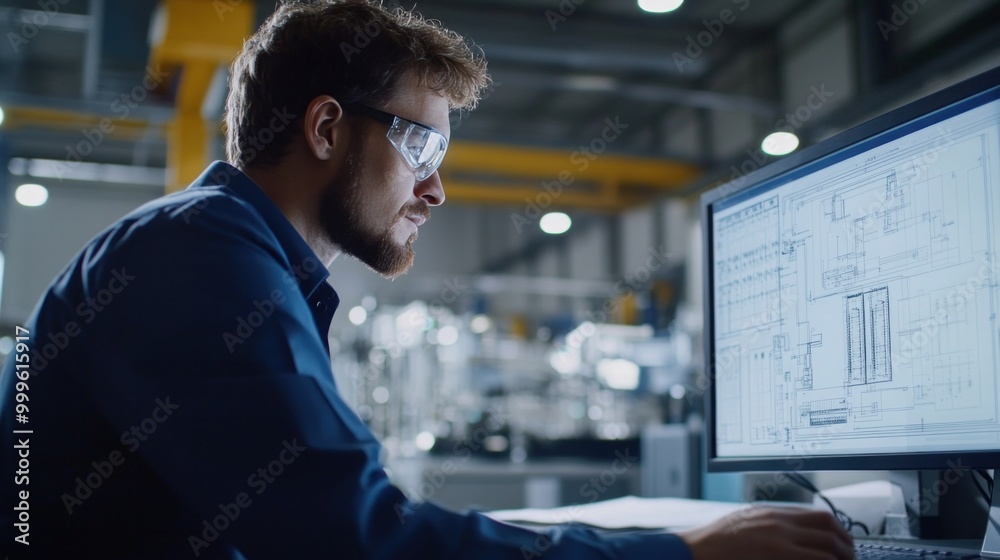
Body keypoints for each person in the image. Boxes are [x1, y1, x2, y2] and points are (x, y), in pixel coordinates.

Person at [0, 1, 854, 558]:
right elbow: (354, 540)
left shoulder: (212, 249)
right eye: (422, 147)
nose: (436, 188)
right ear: (328, 126)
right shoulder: (200, 257)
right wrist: (686, 553)